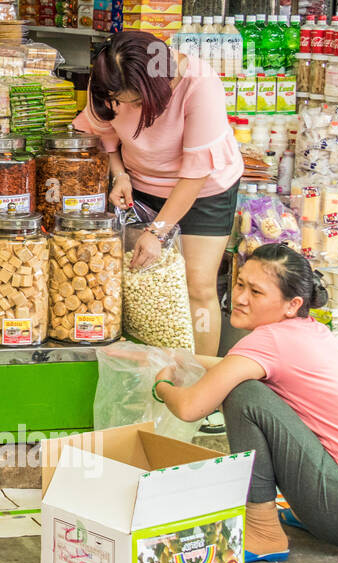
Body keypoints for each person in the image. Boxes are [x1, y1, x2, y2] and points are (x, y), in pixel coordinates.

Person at [153, 244, 338, 562]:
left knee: (243, 394)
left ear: (292, 304)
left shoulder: (268, 340)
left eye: (256, 292)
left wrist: (162, 384)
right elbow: (232, 366)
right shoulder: (309, 332)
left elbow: (190, 407)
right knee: (242, 382)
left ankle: (263, 532)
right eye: (240, 283)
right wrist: (179, 358)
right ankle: (304, 511)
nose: (240, 297)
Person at [74, 29, 243, 362]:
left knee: (197, 285)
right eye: (118, 100)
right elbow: (104, 131)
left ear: (159, 85)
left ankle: (201, 380)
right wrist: (119, 174)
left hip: (204, 190)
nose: (124, 107)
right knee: (141, 280)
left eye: (134, 102)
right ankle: (154, 371)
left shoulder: (199, 84)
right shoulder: (109, 75)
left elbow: (196, 173)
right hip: (140, 183)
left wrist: (157, 231)